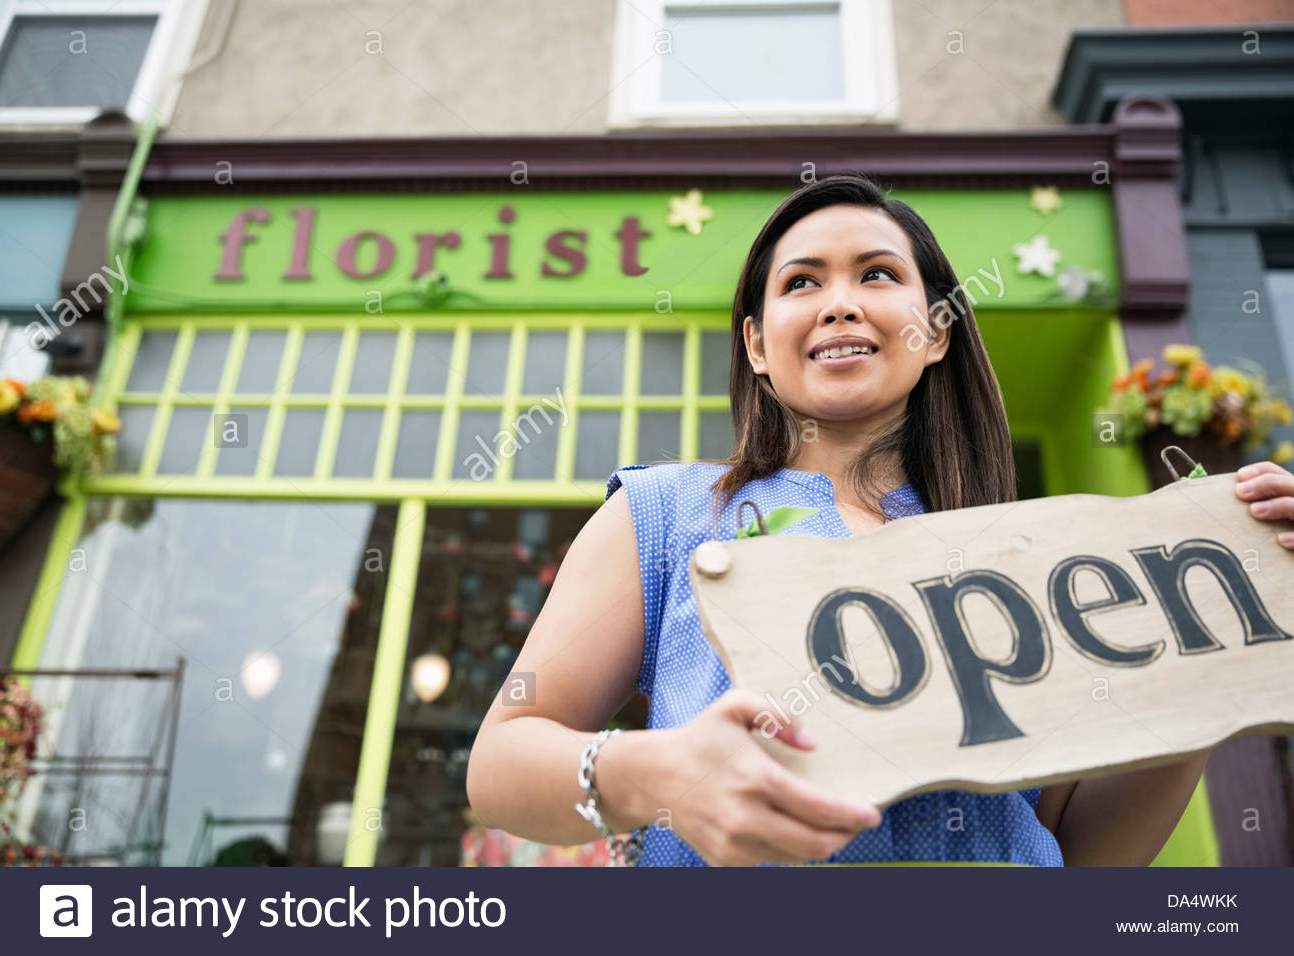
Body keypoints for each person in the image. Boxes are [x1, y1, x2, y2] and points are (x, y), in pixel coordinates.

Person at [466, 173, 1294, 866]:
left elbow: (1075, 855)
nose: (840, 304)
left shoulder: (1031, 556)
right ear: (757, 345)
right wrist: (656, 774)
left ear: (935, 331)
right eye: (801, 282)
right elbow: (500, 763)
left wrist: (1211, 653)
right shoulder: (665, 516)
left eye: (877, 274)